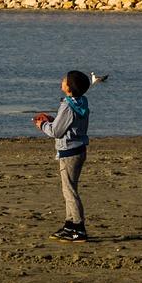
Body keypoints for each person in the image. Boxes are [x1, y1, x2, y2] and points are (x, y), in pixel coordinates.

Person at [33, 70, 92, 242]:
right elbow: (67, 124)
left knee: (69, 191)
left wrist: (42, 124)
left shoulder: (67, 105)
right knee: (68, 189)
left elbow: (56, 132)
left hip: (69, 151)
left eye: (65, 80)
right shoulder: (81, 101)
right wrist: (54, 120)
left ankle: (79, 228)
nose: (62, 81)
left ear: (69, 87)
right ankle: (70, 224)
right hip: (78, 149)